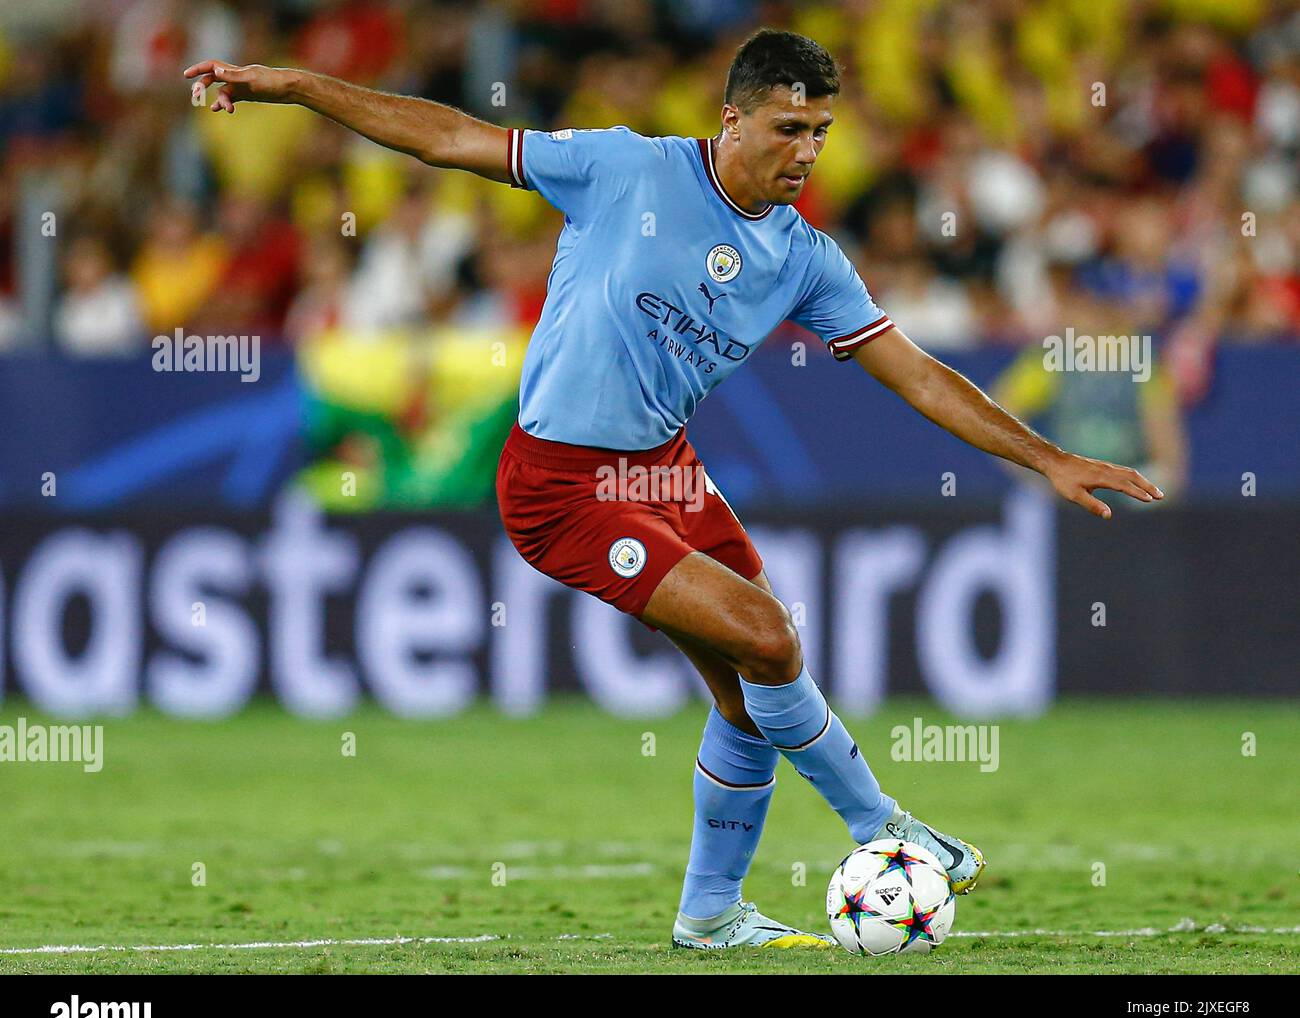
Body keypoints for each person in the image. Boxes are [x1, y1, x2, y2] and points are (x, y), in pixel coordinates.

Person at [185, 28, 1163, 951]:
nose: (806, 152)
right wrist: (300, 85)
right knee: (770, 639)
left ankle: (709, 916)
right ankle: (892, 830)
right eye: (788, 128)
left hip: (663, 470)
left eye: (820, 132)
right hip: (561, 486)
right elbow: (447, 137)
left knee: (747, 695)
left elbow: (913, 373)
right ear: (729, 119)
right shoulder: (624, 168)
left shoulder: (804, 260)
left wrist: (1044, 456)